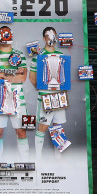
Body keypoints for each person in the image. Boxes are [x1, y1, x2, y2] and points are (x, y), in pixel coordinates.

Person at [0, 25, 35, 162]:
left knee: (21, 131)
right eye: (3, 34)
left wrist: (1, 74)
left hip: (19, 99)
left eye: (8, 34)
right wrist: (13, 75)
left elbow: (23, 78)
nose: (6, 36)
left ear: (11, 35)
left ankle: (25, 163)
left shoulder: (20, 55)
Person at [32, 26, 70, 161]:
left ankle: (58, 158)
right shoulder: (38, 56)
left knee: (58, 127)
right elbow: (32, 76)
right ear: (44, 38)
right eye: (48, 36)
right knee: (42, 127)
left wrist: (61, 92)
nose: (51, 38)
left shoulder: (61, 55)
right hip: (45, 97)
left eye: (53, 35)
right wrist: (42, 89)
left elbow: (65, 77)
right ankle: (38, 159)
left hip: (59, 97)